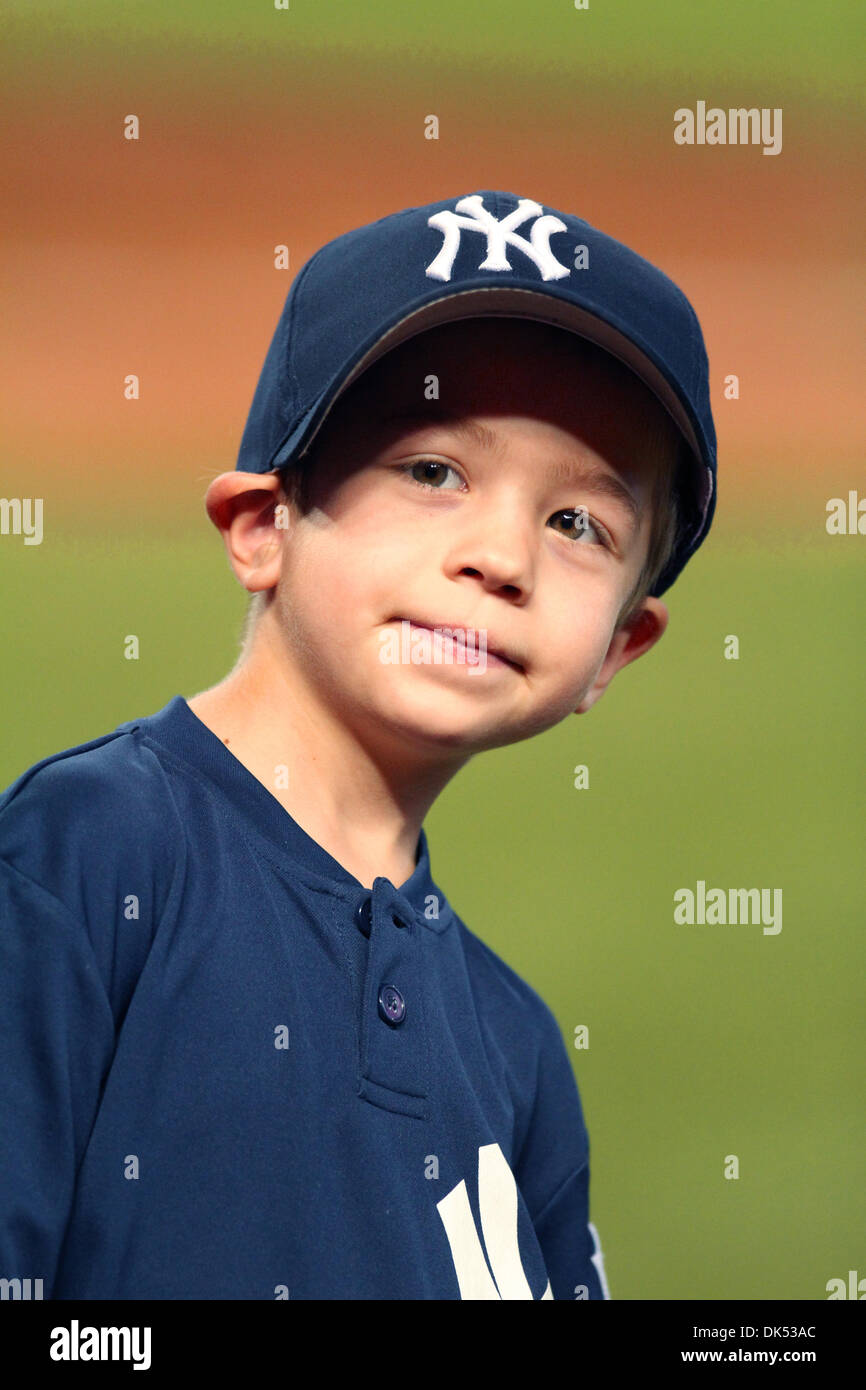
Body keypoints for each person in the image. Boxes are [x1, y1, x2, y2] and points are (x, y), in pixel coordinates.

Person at [0, 191, 717, 1300]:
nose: (499, 556)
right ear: (261, 525)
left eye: (579, 523)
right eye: (432, 470)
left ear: (616, 648)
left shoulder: (514, 1047)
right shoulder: (87, 856)